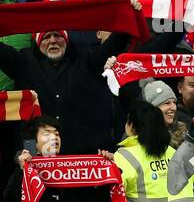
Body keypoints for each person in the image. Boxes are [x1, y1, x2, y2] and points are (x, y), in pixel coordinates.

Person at [0, 23, 133, 154]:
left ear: (66, 39)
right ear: (38, 42)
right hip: (37, 155)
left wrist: (128, 16)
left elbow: (115, 44)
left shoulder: (86, 57)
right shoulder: (23, 62)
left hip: (87, 155)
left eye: (57, 35)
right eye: (46, 37)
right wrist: (28, 152)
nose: (52, 41)